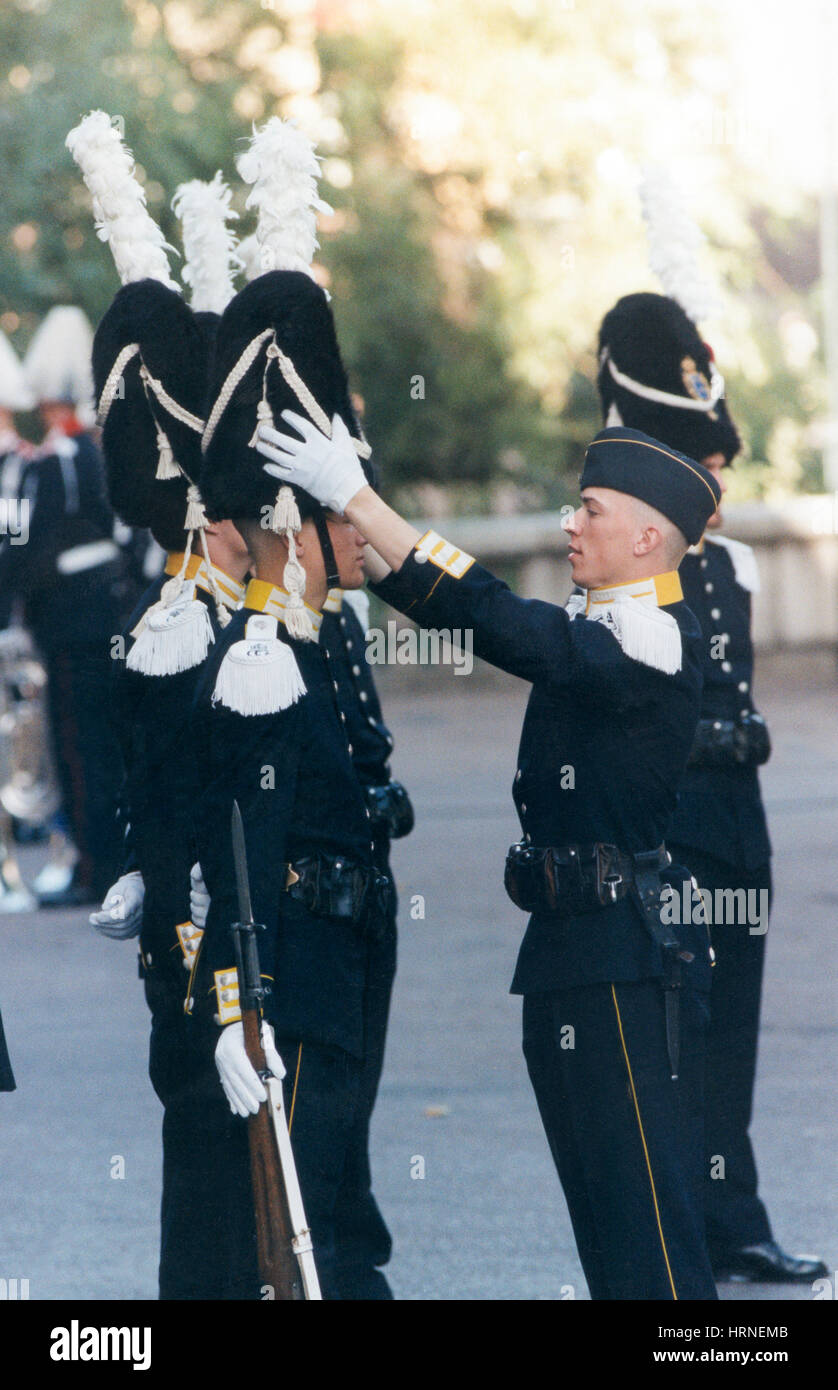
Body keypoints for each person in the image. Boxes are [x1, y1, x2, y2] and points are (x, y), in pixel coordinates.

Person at [256, 410, 724, 1300]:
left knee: (648, 1228)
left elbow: (503, 622)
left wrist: (359, 499)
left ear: (648, 535)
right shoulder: (608, 620)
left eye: (589, 510)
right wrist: (357, 534)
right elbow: (470, 614)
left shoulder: (655, 635)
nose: (569, 524)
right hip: (574, 948)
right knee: (604, 1217)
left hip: (625, 955)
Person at [596, 290, 827, 1284]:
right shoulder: (625, 547)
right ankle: (683, 1221)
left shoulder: (721, 565)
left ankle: (736, 1214)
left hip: (739, 819)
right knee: (678, 1040)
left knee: (731, 1033)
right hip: (678, 820)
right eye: (708, 463)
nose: (719, 479)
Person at [189, 263, 397, 1300]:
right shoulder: (264, 656)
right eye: (343, 513)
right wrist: (236, 1010)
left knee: (344, 1201)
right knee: (307, 1224)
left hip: (353, 948)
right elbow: (237, 851)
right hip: (303, 968)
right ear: (297, 524)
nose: (365, 527)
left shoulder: (315, 637)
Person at [0, 307, 128, 906]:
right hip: (98, 614)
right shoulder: (89, 454)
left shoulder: (60, 460)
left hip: (73, 622)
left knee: (82, 747)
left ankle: (94, 866)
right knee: (91, 745)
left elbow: (32, 547)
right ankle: (95, 860)